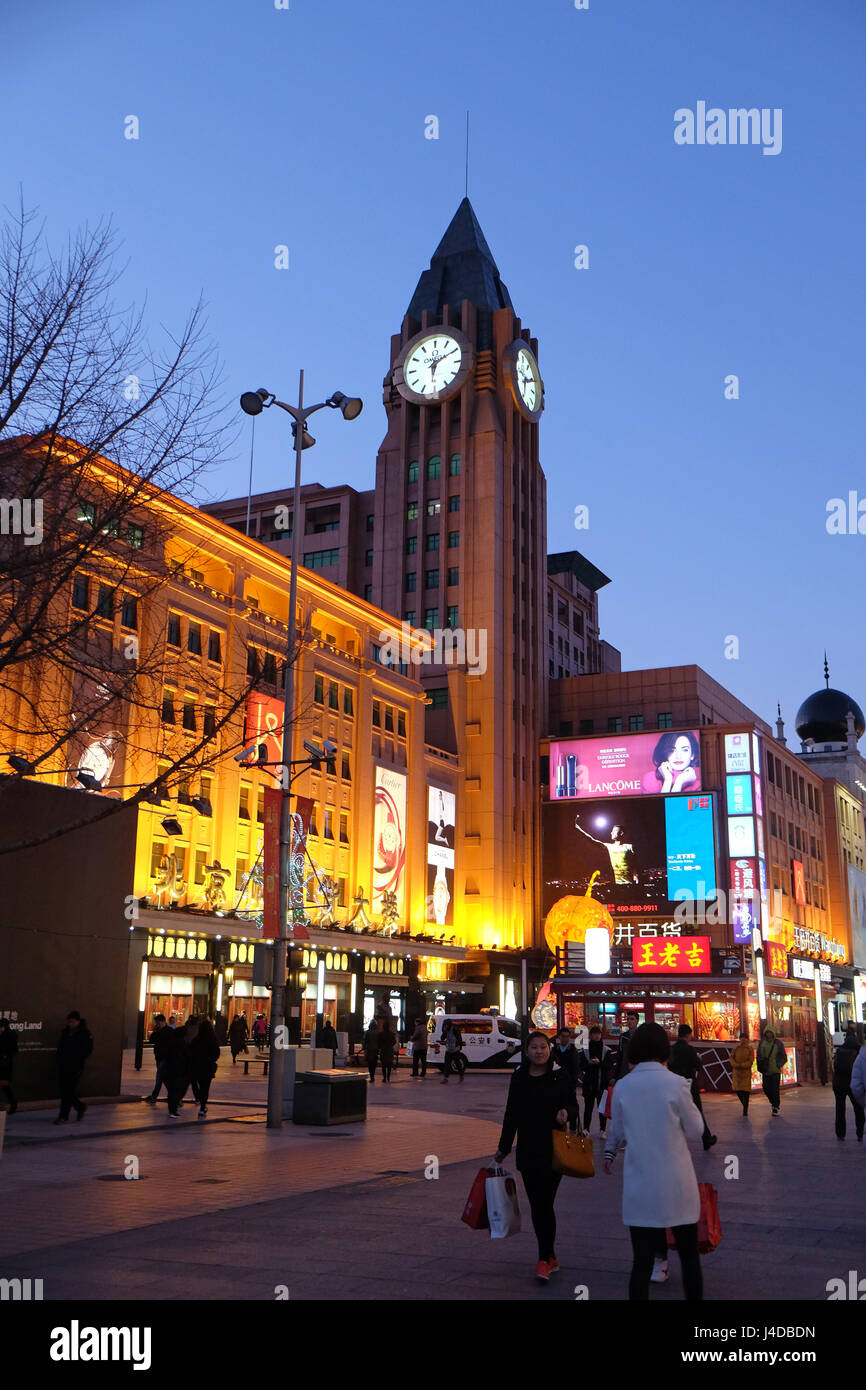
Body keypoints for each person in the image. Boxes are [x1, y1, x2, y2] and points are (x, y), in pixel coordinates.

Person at [603, 1022, 705, 1300]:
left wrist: (609, 1152)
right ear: (665, 1049)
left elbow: (618, 1131)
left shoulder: (624, 1086)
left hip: (640, 1185)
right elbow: (697, 1130)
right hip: (677, 1184)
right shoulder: (676, 1083)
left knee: (642, 1262)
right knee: (688, 1257)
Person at [494, 1031, 578, 1282]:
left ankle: (545, 1258)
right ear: (527, 1051)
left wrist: (566, 1112)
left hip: (554, 1150)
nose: (539, 1051)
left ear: (549, 1050)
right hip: (528, 1150)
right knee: (539, 1204)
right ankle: (548, 1256)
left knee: (543, 1203)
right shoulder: (519, 1077)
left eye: (543, 1047)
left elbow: (574, 1105)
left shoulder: (560, 1076)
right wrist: (504, 1147)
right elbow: (512, 1114)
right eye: (534, 1047)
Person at [669, 1024, 717, 1151]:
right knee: (697, 1110)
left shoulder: (671, 1049)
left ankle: (672, 1141)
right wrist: (699, 1059)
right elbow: (697, 1066)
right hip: (689, 1085)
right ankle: (706, 1139)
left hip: (674, 1084)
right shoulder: (690, 1050)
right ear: (688, 1034)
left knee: (674, 1112)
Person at [54, 1011, 93, 1124]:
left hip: (75, 1066)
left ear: (78, 1021)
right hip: (64, 1065)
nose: (70, 1024)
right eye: (69, 1022)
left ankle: (64, 1116)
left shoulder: (84, 1034)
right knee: (65, 1091)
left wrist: (77, 1059)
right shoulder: (66, 1033)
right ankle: (80, 1106)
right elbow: (60, 1048)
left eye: (73, 1022)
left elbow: (87, 1050)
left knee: (68, 1091)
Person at [577, 1025, 614, 1132]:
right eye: (594, 1034)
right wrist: (589, 1063)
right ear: (590, 1036)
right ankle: (586, 1129)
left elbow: (609, 1066)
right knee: (588, 1107)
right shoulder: (585, 1050)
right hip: (589, 1083)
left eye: (598, 1034)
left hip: (602, 1083)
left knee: (602, 1107)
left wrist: (599, 1063)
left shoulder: (606, 1050)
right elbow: (581, 1066)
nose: (596, 1036)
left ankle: (602, 1130)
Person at [831, 1025, 864, 1141]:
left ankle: (840, 1133)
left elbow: (834, 1066)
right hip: (851, 1084)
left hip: (838, 1084)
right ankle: (860, 1133)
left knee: (840, 1109)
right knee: (858, 1108)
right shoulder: (857, 1052)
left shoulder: (839, 1051)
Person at [188, 1017, 220, 1117]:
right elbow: (216, 1054)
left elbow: (190, 1052)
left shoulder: (196, 1040)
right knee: (205, 1088)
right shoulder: (212, 1041)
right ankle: (202, 1106)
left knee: (197, 1084)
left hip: (197, 1067)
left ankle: (199, 1099)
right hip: (208, 1067)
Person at [757, 1027, 786, 1115]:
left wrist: (778, 1064)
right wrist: (760, 1065)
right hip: (765, 1069)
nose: (768, 1034)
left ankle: (775, 1106)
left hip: (775, 1070)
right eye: (767, 1032)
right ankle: (773, 1101)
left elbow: (783, 1056)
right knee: (766, 1088)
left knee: (775, 1089)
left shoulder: (778, 1043)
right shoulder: (762, 1043)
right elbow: (758, 1055)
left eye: (770, 1032)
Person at [145, 1014, 173, 1104]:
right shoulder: (158, 1031)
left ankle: (154, 1096)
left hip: (166, 1057)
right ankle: (174, 1095)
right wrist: (155, 1031)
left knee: (160, 1076)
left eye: (158, 1023)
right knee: (163, 1077)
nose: (157, 1024)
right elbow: (151, 1040)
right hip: (159, 1057)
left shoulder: (169, 1031)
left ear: (162, 1021)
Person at [730, 1031, 755, 1117]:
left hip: (746, 1073)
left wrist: (743, 1065)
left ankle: (745, 1108)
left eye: (745, 1038)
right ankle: (744, 1105)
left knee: (746, 1091)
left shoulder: (749, 1049)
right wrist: (735, 1065)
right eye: (742, 1038)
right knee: (738, 1090)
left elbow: (751, 1060)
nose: (743, 1040)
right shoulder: (736, 1048)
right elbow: (731, 1057)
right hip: (737, 1073)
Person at [552, 1028, 581, 1098]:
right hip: (556, 1081)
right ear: (559, 1037)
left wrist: (574, 1081)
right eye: (563, 1036)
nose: (565, 1038)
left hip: (569, 1082)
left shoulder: (573, 1050)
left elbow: (576, 1066)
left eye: (567, 1036)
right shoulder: (554, 1050)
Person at [0, 1018, 19, 1114]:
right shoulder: (5, 1034)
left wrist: (5, 1055)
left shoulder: (10, 1035)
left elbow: (13, 1050)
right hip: (4, 1063)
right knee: (4, 1085)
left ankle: (13, 1103)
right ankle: (13, 1103)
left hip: (4, 1064)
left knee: (4, 1084)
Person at [614, 1012, 640, 1080]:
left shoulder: (642, 1036)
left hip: (638, 1071)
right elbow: (620, 1056)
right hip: (624, 1072)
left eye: (632, 1019)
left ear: (637, 1021)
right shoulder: (623, 1037)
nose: (629, 1021)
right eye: (628, 1019)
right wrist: (615, 1076)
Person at [364, 1018, 381, 1083]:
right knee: (374, 1063)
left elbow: (365, 1040)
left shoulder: (368, 1032)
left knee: (370, 1063)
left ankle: (371, 1076)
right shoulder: (378, 1032)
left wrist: (364, 1047)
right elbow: (379, 1041)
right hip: (375, 1049)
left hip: (369, 1049)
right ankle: (373, 1076)